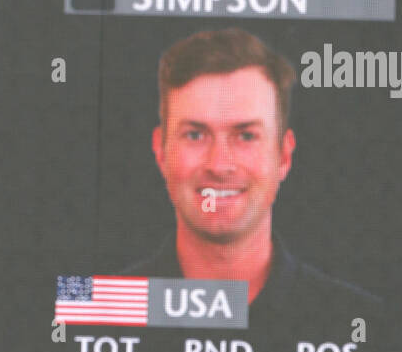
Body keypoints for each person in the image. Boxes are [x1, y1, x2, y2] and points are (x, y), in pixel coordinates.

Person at [127, 27, 380, 335]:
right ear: (161, 151)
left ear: (284, 156)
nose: (219, 165)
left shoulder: (362, 322)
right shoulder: (90, 306)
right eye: (195, 135)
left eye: (246, 136)